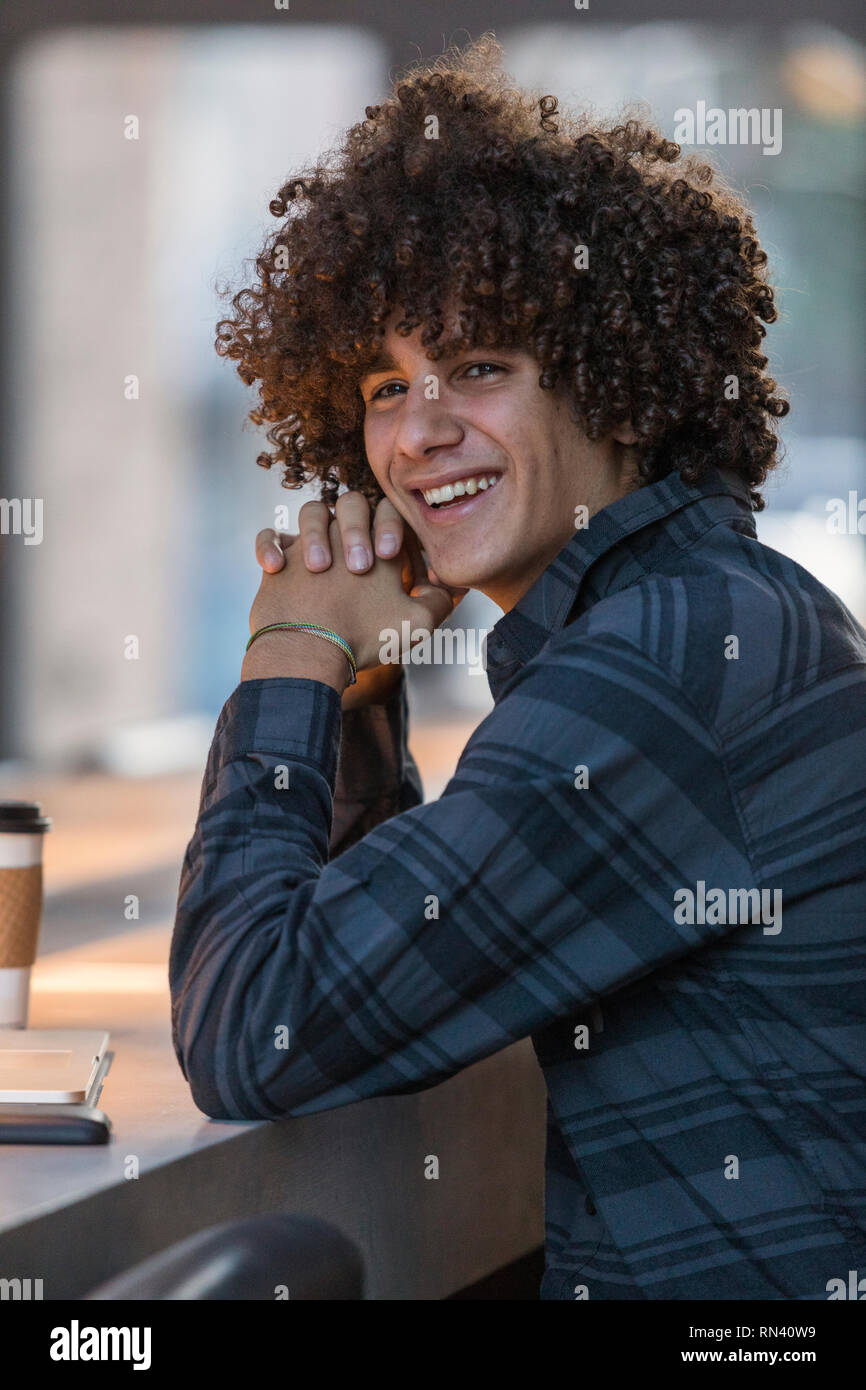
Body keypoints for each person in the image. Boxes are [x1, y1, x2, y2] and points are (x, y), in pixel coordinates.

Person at [170, 37, 866, 1299]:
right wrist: (360, 698)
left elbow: (254, 1030)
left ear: (617, 383)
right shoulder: (698, 615)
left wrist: (289, 649)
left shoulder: (661, 670)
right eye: (385, 385)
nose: (420, 431)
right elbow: (386, 960)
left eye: (479, 366)